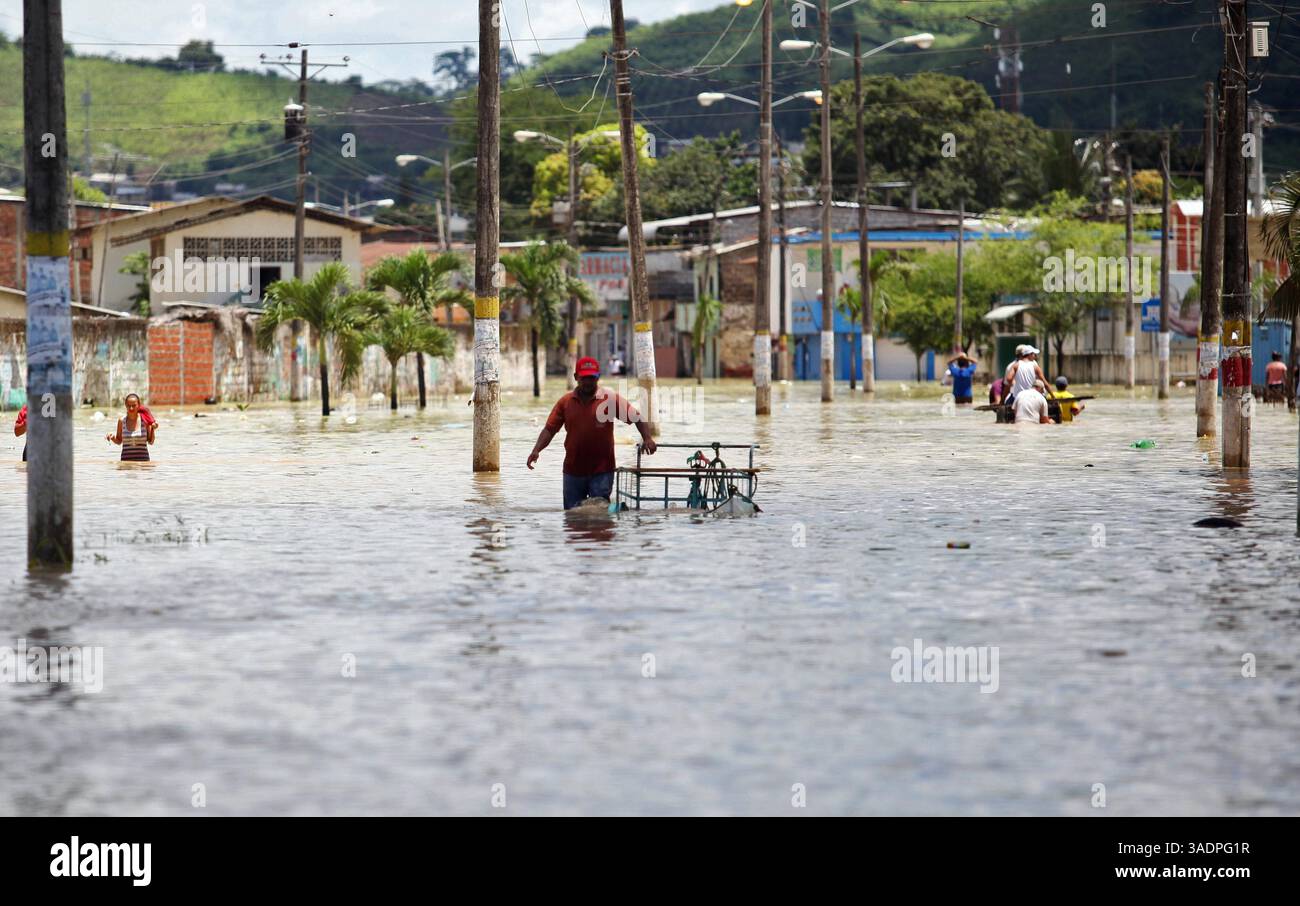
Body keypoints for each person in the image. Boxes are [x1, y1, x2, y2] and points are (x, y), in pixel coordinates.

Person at [528, 356, 656, 509]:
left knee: (600, 518)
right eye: (584, 378)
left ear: (598, 377)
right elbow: (549, 429)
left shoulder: (609, 399)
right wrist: (536, 450)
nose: (588, 382)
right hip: (573, 470)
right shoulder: (565, 402)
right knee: (573, 516)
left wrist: (647, 438)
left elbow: (637, 417)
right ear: (576, 377)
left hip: (602, 470)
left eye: (592, 378)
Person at [107, 393, 156, 462]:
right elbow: (119, 441)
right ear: (125, 406)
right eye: (129, 406)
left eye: (134, 405)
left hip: (143, 465)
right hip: (125, 464)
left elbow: (151, 441)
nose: (131, 408)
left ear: (138, 405)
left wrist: (153, 428)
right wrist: (112, 437)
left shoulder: (145, 420)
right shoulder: (121, 421)